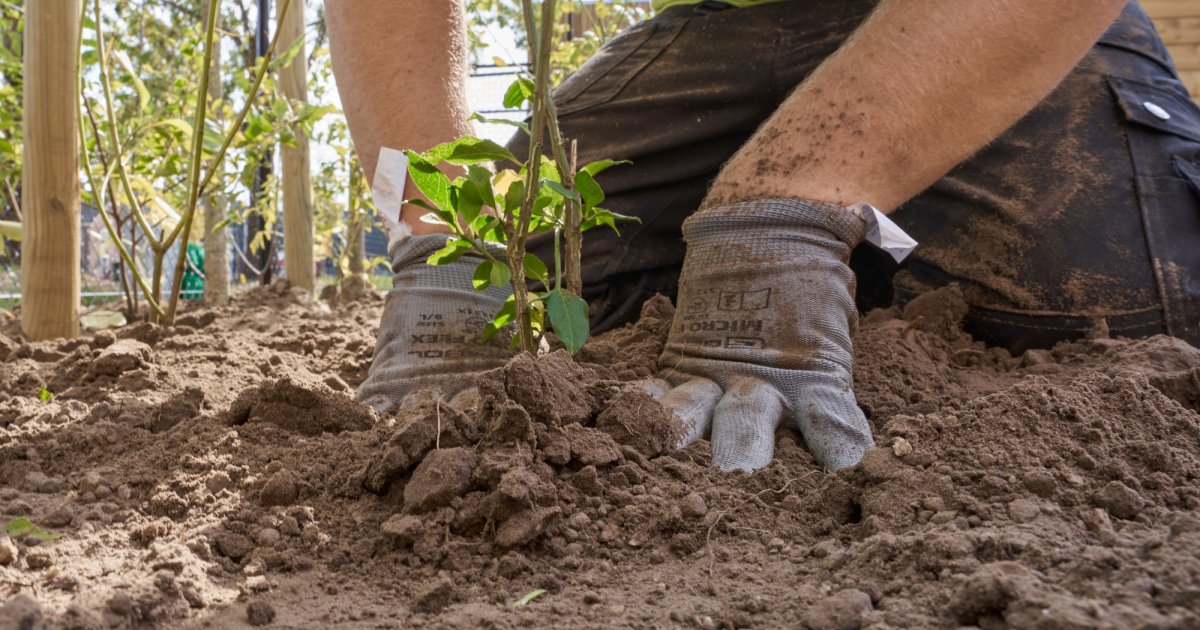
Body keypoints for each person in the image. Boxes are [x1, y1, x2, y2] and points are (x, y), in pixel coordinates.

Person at [326, 0, 1200, 472]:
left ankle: (856, 245)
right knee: (545, 270)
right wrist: (442, 226)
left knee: (1079, 294)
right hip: (716, 27)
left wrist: (792, 196)